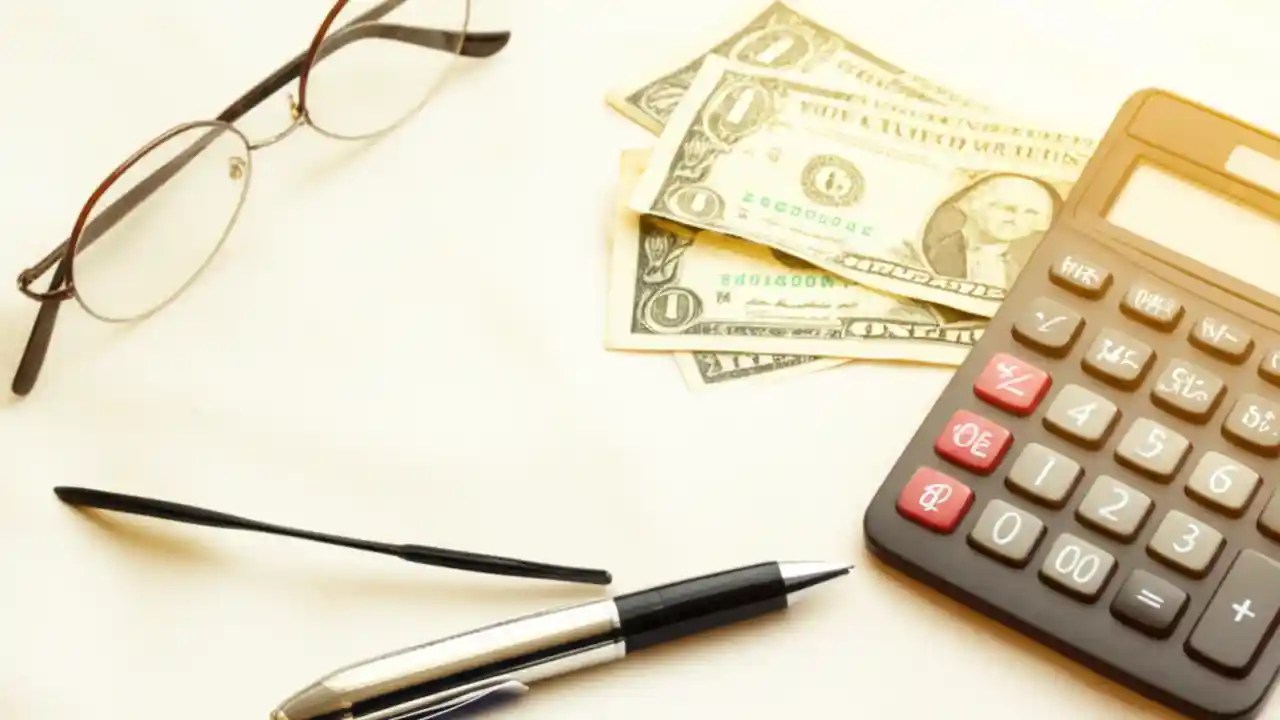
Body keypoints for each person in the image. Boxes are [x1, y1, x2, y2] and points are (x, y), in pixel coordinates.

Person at [918, 174, 1062, 287]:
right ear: (976, 205)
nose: (1016, 219)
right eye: (1008, 209)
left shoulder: (1023, 268)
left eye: (1030, 213)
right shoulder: (939, 252)